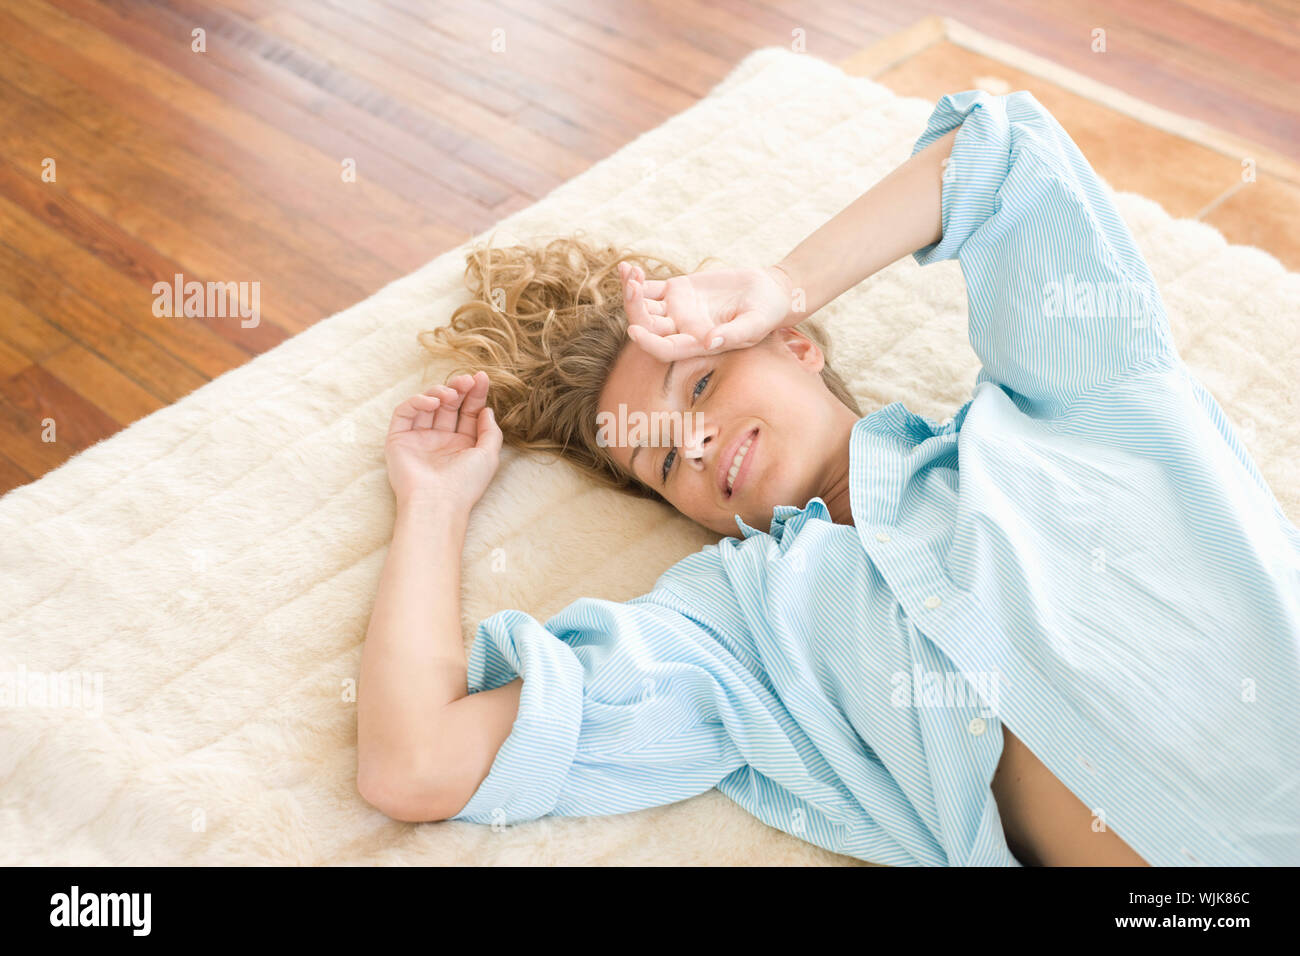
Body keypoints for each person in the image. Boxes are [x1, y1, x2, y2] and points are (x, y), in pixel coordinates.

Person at [355, 90, 1300, 866]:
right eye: (660, 458)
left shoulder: (1058, 407)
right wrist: (433, 506)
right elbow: (414, 765)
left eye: (703, 384)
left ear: (796, 343)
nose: (693, 444)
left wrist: (785, 278)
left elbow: (1002, 150)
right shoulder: (744, 633)